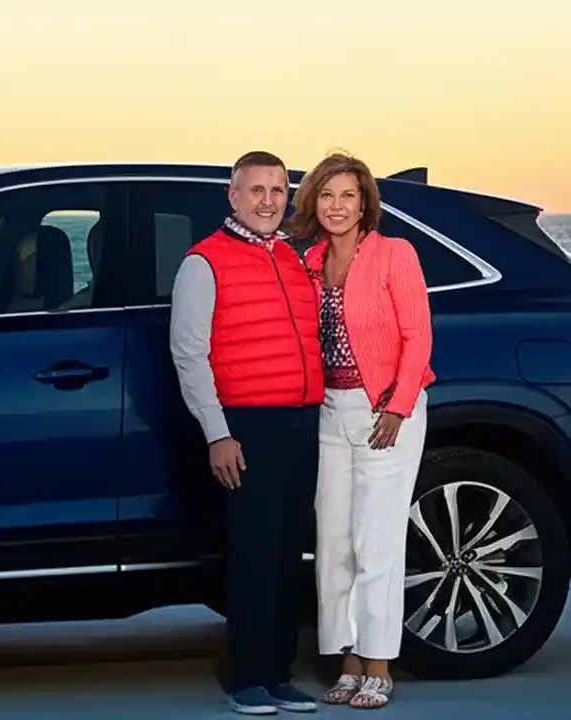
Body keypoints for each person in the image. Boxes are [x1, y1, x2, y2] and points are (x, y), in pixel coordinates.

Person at [170, 150, 325, 715]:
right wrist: (218, 433)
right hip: (246, 426)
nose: (267, 201)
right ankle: (248, 680)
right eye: (256, 190)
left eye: (278, 190)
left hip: (301, 423)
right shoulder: (204, 262)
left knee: (288, 554)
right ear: (233, 196)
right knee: (254, 554)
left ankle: (280, 673)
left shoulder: (291, 258)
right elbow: (189, 354)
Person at [292, 152, 434, 710]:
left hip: (386, 412)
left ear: (365, 203)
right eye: (326, 195)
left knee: (377, 541)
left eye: (347, 195)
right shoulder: (309, 262)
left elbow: (417, 336)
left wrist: (397, 407)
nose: (336, 206)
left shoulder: (396, 255)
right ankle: (347, 659)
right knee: (334, 545)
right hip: (329, 411)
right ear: (314, 203)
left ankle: (379, 664)